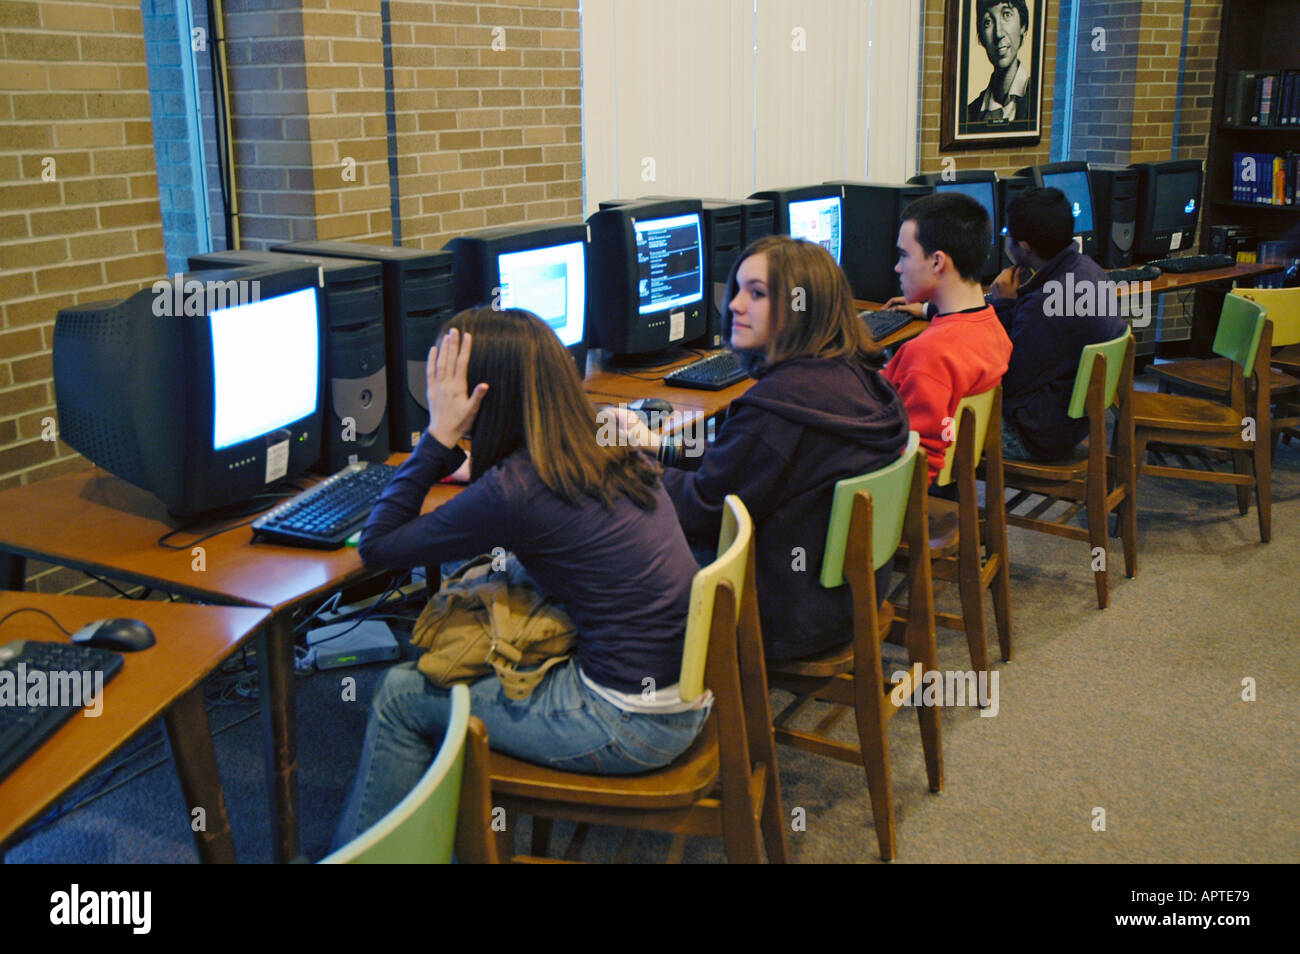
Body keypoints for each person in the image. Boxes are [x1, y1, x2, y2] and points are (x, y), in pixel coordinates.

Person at [334, 308, 707, 846]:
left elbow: (378, 546)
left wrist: (438, 438)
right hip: (682, 696)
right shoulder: (599, 441)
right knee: (478, 614)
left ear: (480, 395)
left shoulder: (515, 490)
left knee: (399, 692)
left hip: (628, 726)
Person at [620, 236, 911, 663]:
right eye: (737, 289)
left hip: (781, 614)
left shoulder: (779, 411)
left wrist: (627, 465)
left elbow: (703, 512)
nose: (734, 304)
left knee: (611, 536)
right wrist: (662, 448)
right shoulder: (857, 378)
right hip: (847, 596)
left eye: (756, 294)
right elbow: (745, 460)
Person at [988, 186, 1129, 460]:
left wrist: (1005, 305)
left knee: (943, 428)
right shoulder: (1089, 270)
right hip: (1072, 424)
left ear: (1024, 247)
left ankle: (951, 503)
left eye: (1008, 236)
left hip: (1037, 435)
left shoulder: (1045, 303)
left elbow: (1009, 380)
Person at [880, 192, 1012, 483]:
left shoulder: (929, 354)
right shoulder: (992, 328)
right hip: (954, 477)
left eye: (904, 255)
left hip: (897, 502)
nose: (897, 267)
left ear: (938, 261)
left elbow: (916, 466)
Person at [966, 0, 1033, 126]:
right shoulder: (970, 114)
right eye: (988, 22)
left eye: (1006, 14)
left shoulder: (1038, 101)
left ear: (1023, 25)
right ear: (981, 38)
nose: (998, 33)